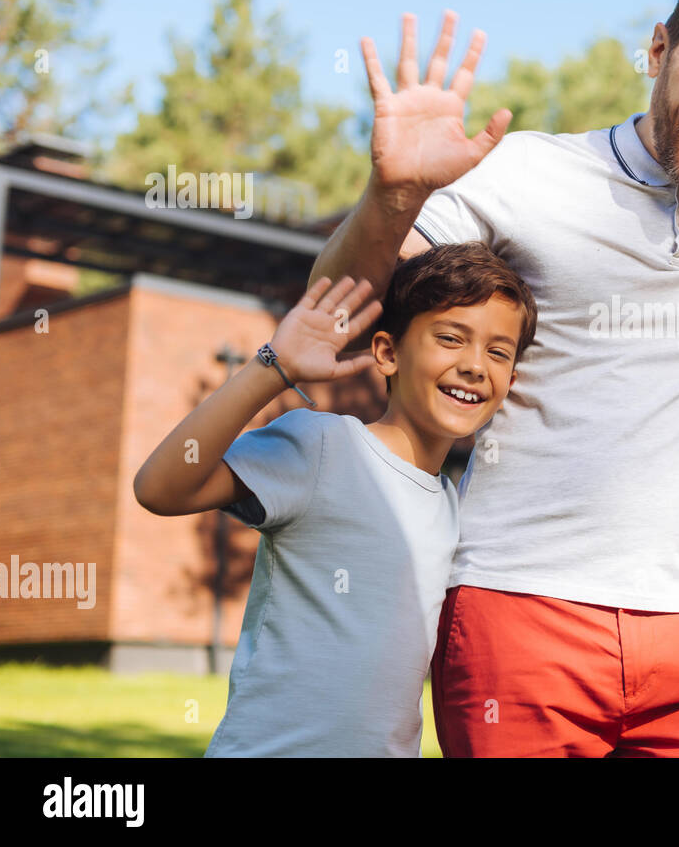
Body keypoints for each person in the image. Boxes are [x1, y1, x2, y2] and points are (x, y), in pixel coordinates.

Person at [310, 0, 679, 757]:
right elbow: (336, 315)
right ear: (659, 51)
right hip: (517, 608)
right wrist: (393, 193)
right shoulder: (527, 173)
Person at [132, 242, 537, 756]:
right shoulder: (324, 446)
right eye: (451, 339)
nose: (476, 366)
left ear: (512, 381)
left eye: (498, 352)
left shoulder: (453, 503)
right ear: (388, 353)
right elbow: (161, 488)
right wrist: (272, 369)